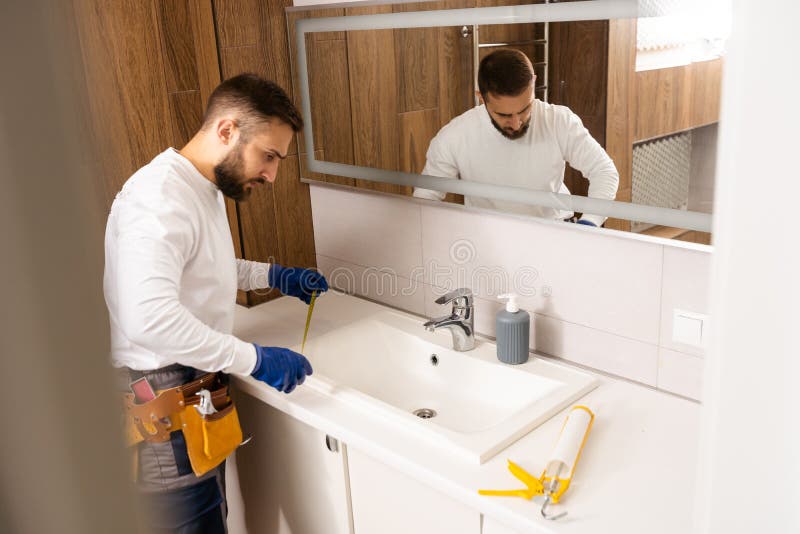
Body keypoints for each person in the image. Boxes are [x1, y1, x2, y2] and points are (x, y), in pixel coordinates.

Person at [104, 73, 328, 532]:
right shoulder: (159, 199)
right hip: (162, 399)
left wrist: (273, 276)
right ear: (227, 130)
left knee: (214, 516)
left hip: (194, 388)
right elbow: (148, 319)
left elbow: (205, 263)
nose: (271, 173)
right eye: (268, 156)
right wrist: (254, 358)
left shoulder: (198, 186)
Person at [413, 49, 619, 227]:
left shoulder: (558, 120)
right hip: (488, 239)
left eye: (525, 109)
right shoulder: (454, 136)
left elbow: (604, 171)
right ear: (481, 98)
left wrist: (589, 223)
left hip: (555, 231)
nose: (516, 122)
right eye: (504, 115)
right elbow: (426, 198)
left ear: (534, 83)